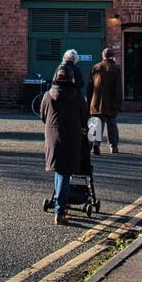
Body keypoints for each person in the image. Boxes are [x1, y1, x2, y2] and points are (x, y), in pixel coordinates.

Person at [39, 64, 89, 224]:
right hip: (71, 138)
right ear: (71, 78)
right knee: (64, 174)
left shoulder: (48, 95)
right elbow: (84, 117)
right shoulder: (76, 96)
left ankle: (58, 204)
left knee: (59, 171)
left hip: (52, 137)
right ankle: (60, 212)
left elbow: (42, 115)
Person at [89, 46, 123, 154]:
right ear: (112, 57)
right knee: (111, 124)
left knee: (96, 123)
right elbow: (118, 88)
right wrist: (118, 104)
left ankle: (96, 144)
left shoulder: (95, 67)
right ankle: (113, 146)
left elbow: (90, 88)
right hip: (110, 102)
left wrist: (88, 102)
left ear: (103, 56)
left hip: (96, 101)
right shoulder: (116, 69)